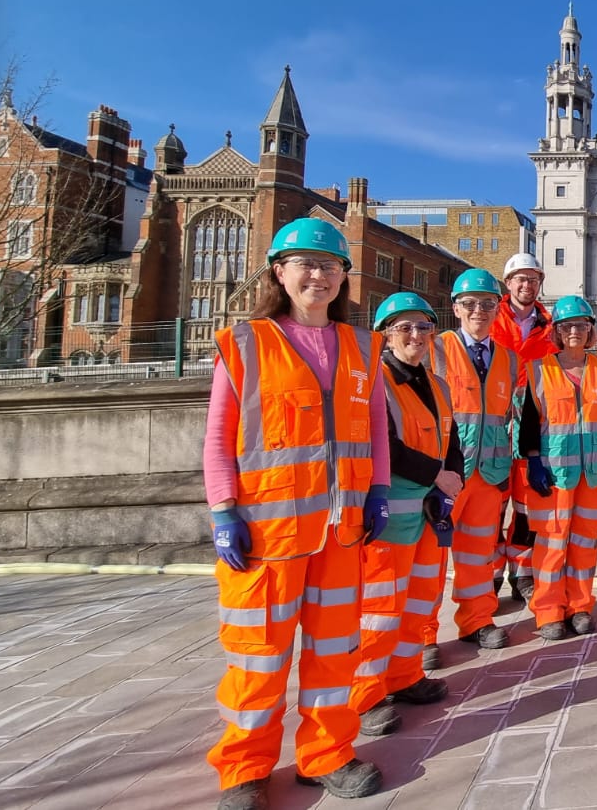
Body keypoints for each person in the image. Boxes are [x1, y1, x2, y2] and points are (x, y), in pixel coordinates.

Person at [204, 218, 388, 809]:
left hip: (342, 530)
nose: (319, 275)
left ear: (343, 278)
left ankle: (326, 754)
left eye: (330, 265)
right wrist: (223, 509)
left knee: (335, 650)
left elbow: (375, 429)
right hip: (267, 532)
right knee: (258, 655)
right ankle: (244, 768)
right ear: (278, 273)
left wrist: (379, 490)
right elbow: (219, 436)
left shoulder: (362, 347)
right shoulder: (246, 343)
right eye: (306, 264)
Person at [347, 292, 461, 739]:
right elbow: (385, 447)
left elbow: (452, 438)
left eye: (423, 327)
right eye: (404, 327)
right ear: (385, 335)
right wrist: (438, 475)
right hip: (391, 513)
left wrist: (453, 477)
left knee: (419, 599)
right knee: (380, 608)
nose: (416, 335)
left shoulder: (437, 384)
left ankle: (404, 675)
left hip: (429, 511)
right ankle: (365, 695)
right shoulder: (375, 383)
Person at [519, 296, 597, 640]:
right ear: (557, 332)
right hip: (553, 474)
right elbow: (529, 422)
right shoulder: (540, 369)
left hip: (593, 472)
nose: (574, 331)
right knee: (552, 542)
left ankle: (580, 606)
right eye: (566, 326)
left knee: (585, 541)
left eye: (581, 325)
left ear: (591, 329)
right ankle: (549, 611)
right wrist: (533, 460)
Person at [427, 269, 519, 660]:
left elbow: (509, 417)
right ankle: (423, 635)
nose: (478, 310)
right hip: (445, 474)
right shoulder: (435, 349)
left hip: (488, 473)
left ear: (498, 309)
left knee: (479, 554)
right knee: (430, 558)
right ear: (455, 308)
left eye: (487, 303)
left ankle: (477, 620)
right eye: (469, 303)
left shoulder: (508, 359)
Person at [489, 252, 558, 605]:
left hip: (533, 428)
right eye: (520, 278)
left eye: (533, 279)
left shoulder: (552, 327)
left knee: (525, 507)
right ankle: (490, 577)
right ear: (508, 283)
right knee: (491, 507)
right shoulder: (489, 317)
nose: (527, 285)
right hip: (493, 428)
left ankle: (521, 573)